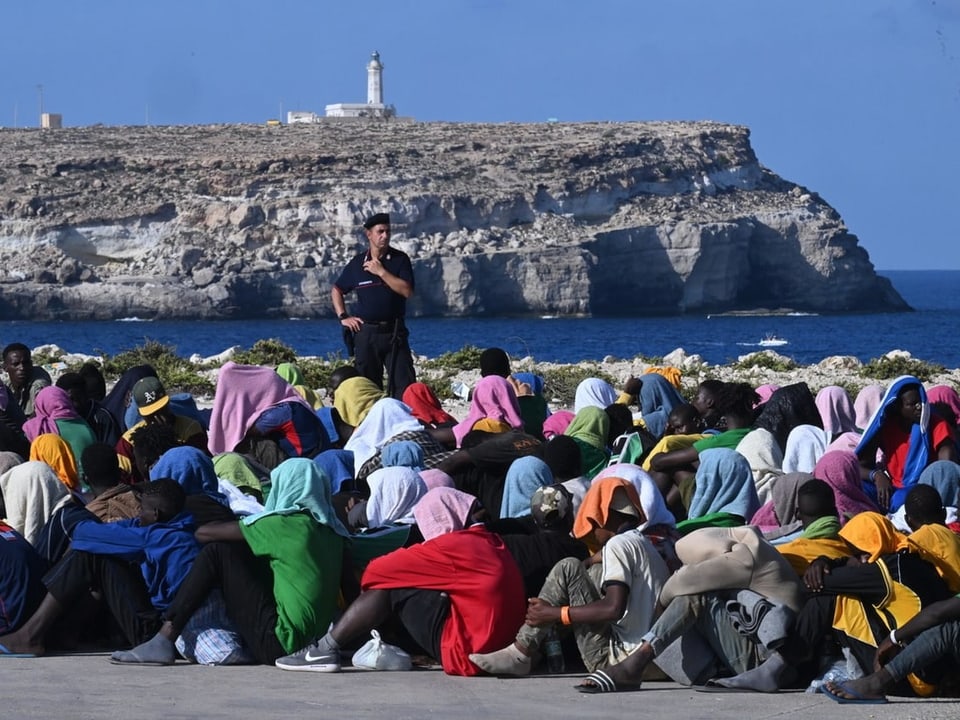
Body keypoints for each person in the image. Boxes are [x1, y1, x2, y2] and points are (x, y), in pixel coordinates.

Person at [275, 487, 526, 676]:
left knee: (392, 587)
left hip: (467, 655)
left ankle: (324, 649)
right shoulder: (491, 542)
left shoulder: (453, 546)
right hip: (501, 649)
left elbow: (377, 570)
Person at [332, 212, 416, 399]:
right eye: (380, 231)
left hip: (394, 333)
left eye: (388, 231)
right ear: (368, 234)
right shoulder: (356, 264)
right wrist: (343, 317)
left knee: (404, 386)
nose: (385, 236)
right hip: (366, 333)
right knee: (367, 387)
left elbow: (407, 291)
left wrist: (381, 272)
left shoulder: (400, 260)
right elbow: (337, 290)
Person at [2, 343, 51, 418]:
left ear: (31, 364)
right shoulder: (6, 387)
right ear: (5, 367)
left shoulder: (38, 385)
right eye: (16, 364)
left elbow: (42, 413)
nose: (22, 368)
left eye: (26, 363)